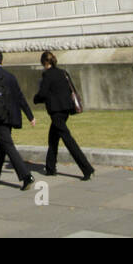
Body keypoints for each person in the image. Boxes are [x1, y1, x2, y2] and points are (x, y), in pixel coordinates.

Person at [33, 50, 94, 180]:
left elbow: (43, 93)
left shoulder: (47, 75)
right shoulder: (63, 73)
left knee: (68, 140)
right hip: (66, 110)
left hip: (56, 111)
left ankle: (87, 168)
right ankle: (50, 167)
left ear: (44, 62)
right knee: (53, 138)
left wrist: (36, 99)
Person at [0, 50, 34, 190]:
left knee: (7, 145)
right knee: (1, 144)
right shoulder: (10, 77)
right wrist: (30, 116)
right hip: (9, 116)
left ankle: (26, 176)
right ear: (2, 61)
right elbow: (20, 97)